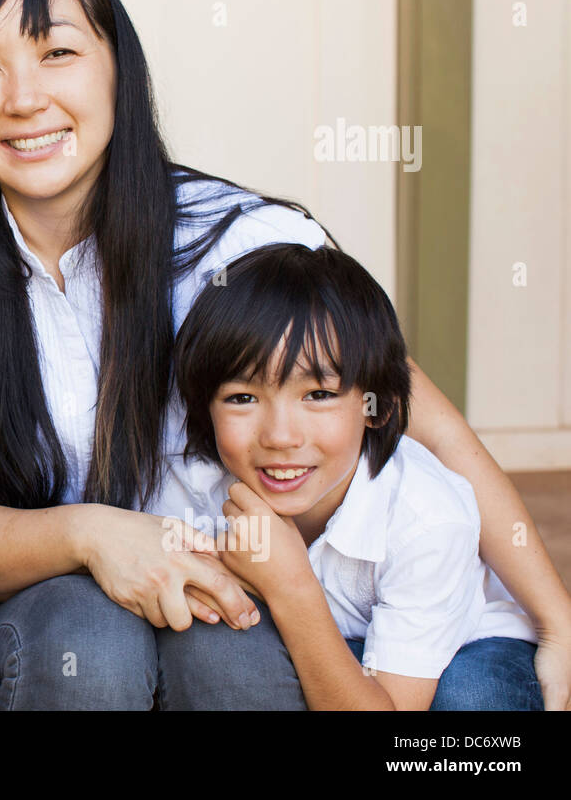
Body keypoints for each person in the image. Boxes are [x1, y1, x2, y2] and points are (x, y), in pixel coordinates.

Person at [0, 0, 571, 710]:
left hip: (295, 591)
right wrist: (90, 533)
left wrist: (559, 619)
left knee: (470, 715)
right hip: (44, 606)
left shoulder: (234, 244)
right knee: (89, 640)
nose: (24, 98)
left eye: (58, 52)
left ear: (118, 71)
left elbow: (422, 426)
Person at [173, 243, 542, 710]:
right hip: (331, 642)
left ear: (378, 408)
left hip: (463, 646)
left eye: (319, 394)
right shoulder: (190, 487)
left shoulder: (427, 520)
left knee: (472, 701)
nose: (281, 436)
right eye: (242, 398)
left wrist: (291, 585)